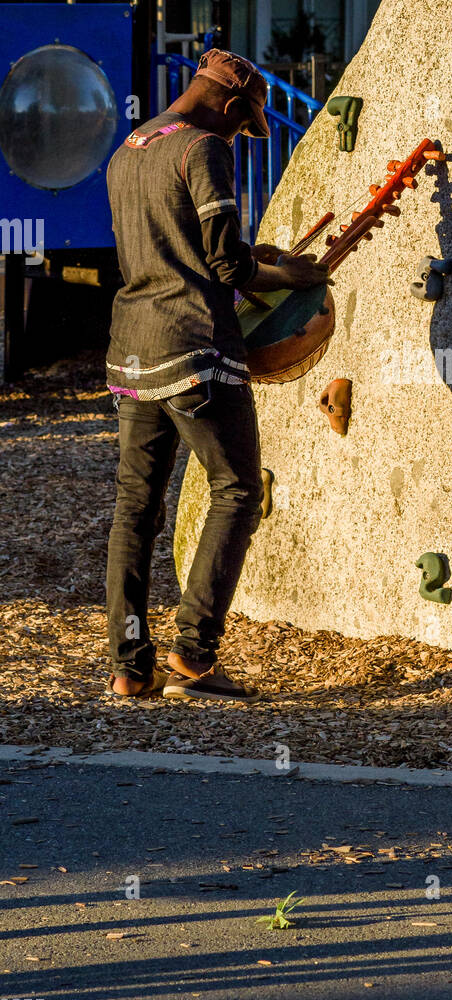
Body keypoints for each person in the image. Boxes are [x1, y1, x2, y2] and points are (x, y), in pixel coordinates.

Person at [104, 48, 327, 702]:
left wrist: (241, 254)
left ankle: (128, 663)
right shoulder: (203, 149)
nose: (240, 138)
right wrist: (292, 275)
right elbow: (227, 270)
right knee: (235, 490)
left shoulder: (130, 147)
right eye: (244, 126)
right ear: (231, 107)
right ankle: (194, 656)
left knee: (135, 510)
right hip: (195, 348)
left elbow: (173, 246)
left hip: (132, 352)